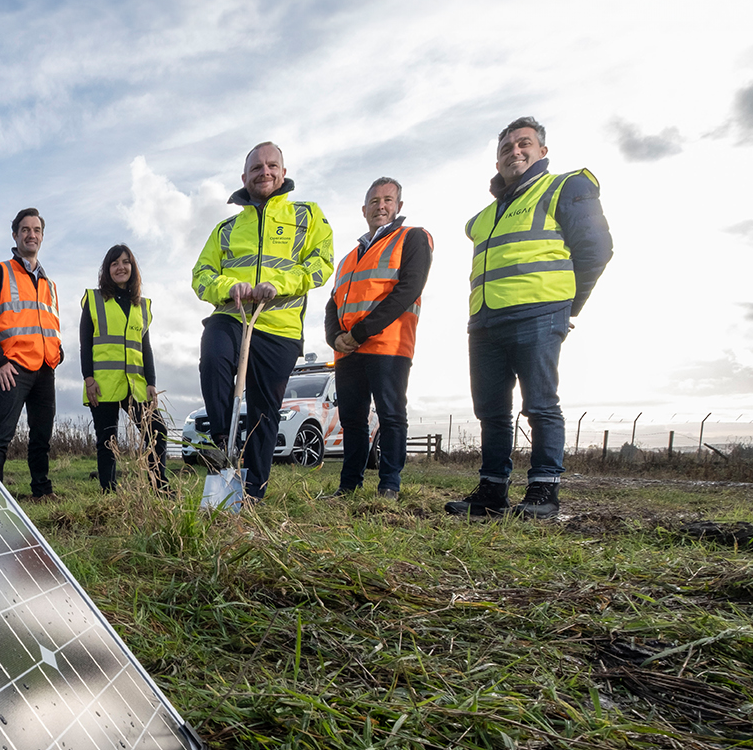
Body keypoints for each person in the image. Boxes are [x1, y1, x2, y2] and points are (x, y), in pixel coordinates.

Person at [446, 117, 612, 519]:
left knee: (539, 404)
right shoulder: (485, 216)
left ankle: (543, 490)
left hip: (537, 313)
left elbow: (595, 250)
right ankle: (492, 491)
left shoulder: (564, 187)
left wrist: (565, 307)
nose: (514, 152)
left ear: (542, 151)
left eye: (524, 144)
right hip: (485, 321)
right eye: (506, 148)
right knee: (491, 411)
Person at [192, 142, 333, 503]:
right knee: (213, 354)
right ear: (244, 176)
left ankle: (253, 491)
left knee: (264, 410)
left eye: (272, 166)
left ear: (283, 173)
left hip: (279, 327)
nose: (264, 172)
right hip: (233, 316)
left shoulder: (307, 215)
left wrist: (280, 284)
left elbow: (321, 264)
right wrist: (228, 286)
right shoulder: (227, 228)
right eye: (256, 167)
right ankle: (223, 443)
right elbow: (201, 275)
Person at [323, 177, 433, 499]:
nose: (381, 206)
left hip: (389, 345)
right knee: (352, 419)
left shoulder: (411, 238)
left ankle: (389, 485)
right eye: (374, 201)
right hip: (347, 351)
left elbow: (408, 290)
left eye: (387, 200)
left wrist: (358, 333)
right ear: (364, 209)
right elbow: (333, 303)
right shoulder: (348, 258)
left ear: (398, 207)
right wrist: (335, 338)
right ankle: (349, 486)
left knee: (390, 414)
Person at [0, 208, 62, 500]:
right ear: (15, 235)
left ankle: (42, 490)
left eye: (36, 230)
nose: (31, 235)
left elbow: (51, 321)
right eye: (25, 229)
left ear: (42, 236)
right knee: (2, 434)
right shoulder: (0, 271)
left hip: (45, 368)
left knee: (41, 437)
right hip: (13, 368)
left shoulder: (49, 283)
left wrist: (57, 352)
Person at [81, 244, 169, 492]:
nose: (121, 267)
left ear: (133, 267)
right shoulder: (94, 300)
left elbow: (146, 347)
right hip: (103, 384)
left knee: (157, 431)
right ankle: (109, 491)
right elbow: (84, 345)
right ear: (107, 269)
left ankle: (159, 486)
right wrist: (88, 379)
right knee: (108, 441)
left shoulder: (142, 305)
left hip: (137, 384)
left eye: (125, 262)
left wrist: (151, 382)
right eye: (114, 263)